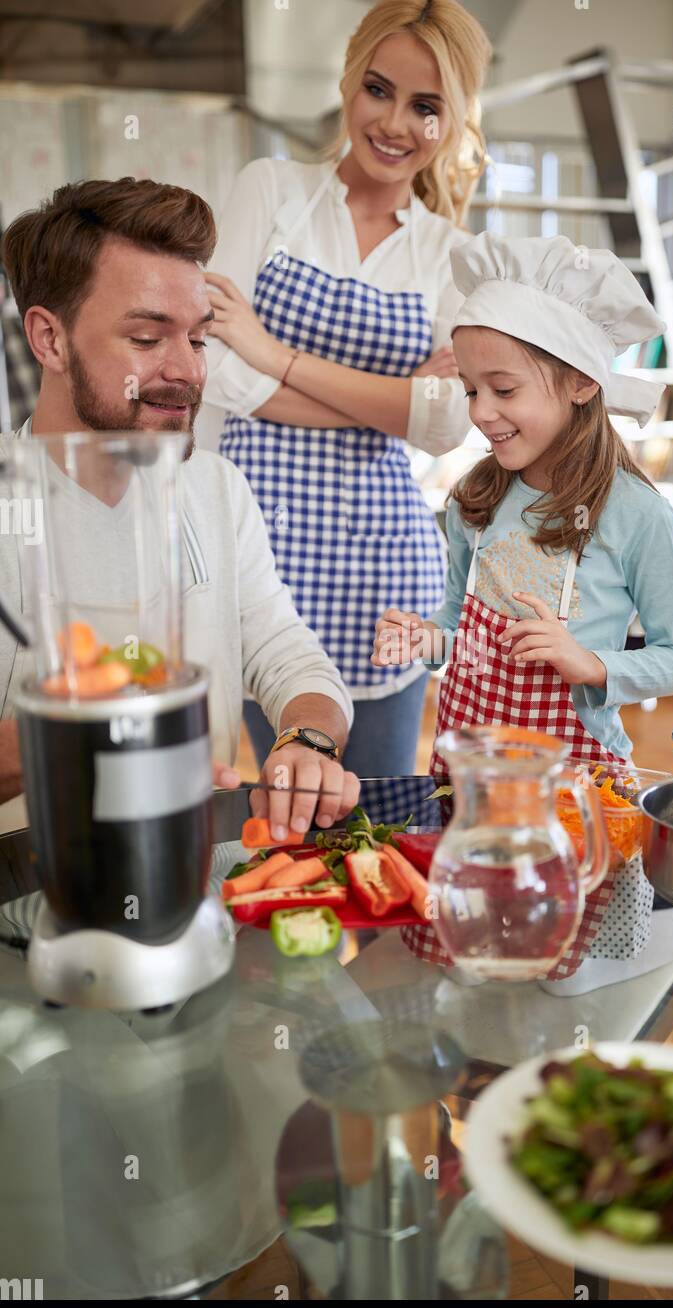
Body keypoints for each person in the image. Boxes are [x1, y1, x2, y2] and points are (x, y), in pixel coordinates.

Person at [372, 231, 673, 989]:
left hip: (572, 787)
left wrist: (591, 663)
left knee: (558, 975)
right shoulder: (475, 499)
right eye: (470, 391)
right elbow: (462, 636)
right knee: (470, 963)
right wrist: (424, 640)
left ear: (582, 382)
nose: (481, 413)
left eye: (504, 389)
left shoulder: (637, 516)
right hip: (471, 781)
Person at [0, 177, 360, 836]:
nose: (189, 372)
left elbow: (290, 657)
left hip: (201, 892)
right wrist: (67, 733)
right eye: (146, 338)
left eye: (196, 340)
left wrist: (306, 741)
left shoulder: (216, 489)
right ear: (49, 340)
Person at [200, 0, 492, 777]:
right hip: (261, 549)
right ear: (347, 84)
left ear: (453, 122)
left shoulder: (449, 256)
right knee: (287, 799)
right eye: (379, 89)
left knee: (383, 814)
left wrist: (275, 354)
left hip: (382, 567)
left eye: (426, 107)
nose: (395, 122)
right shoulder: (271, 191)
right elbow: (217, 372)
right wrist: (390, 400)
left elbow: (444, 426)